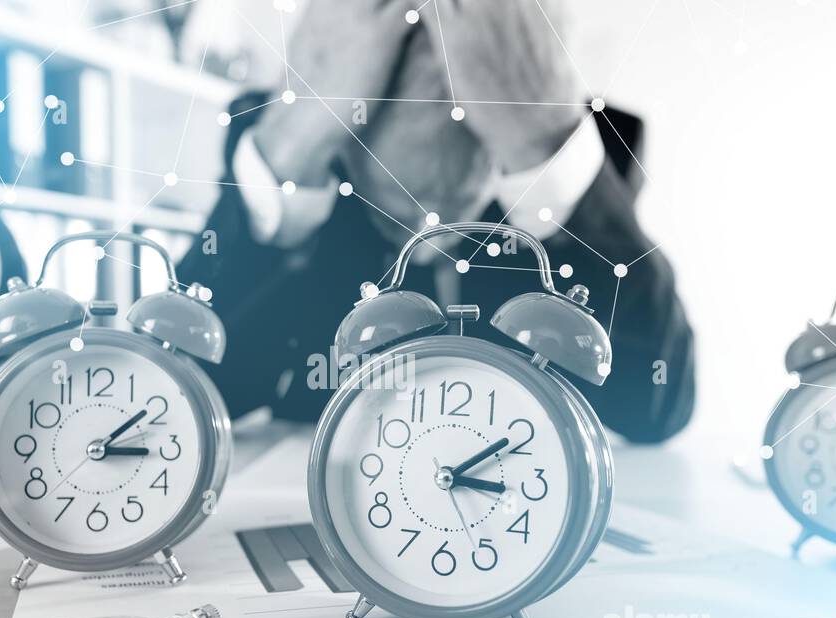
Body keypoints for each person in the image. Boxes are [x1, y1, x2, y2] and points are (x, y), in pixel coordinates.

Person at [178, 0, 694, 443]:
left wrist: (542, 143)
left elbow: (655, 405)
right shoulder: (281, 138)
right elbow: (181, 390)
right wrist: (293, 148)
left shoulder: (585, 148)